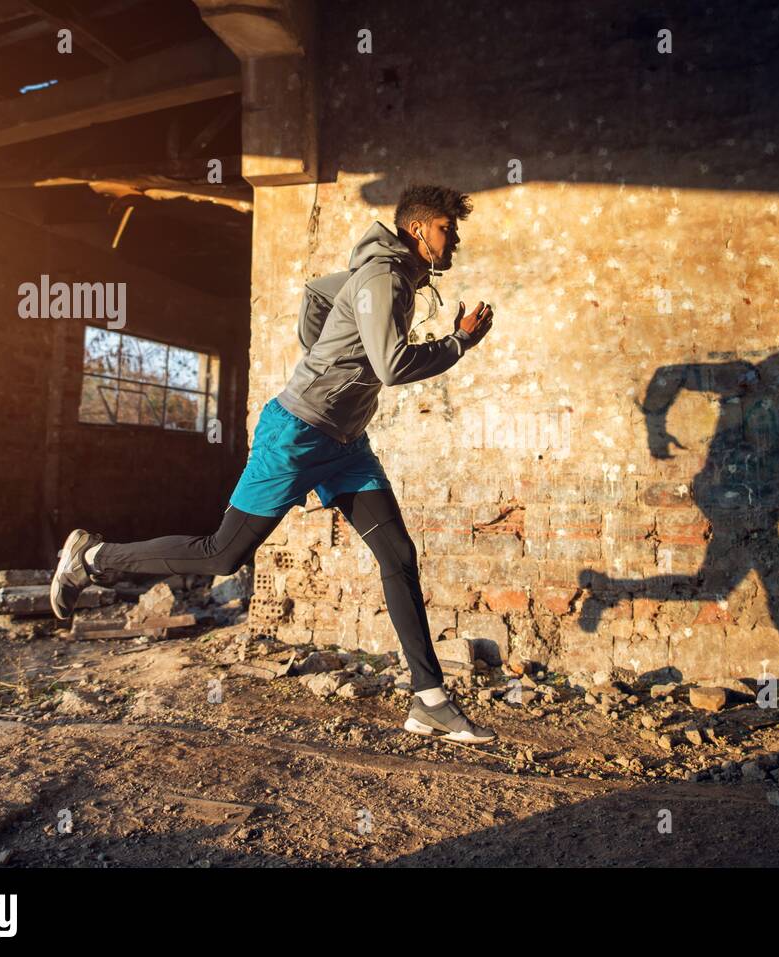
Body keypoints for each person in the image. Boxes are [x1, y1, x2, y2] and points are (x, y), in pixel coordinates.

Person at [50, 184, 498, 744]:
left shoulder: (394, 278)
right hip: (297, 434)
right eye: (446, 230)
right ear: (418, 231)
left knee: (398, 555)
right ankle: (92, 556)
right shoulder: (382, 277)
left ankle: (429, 701)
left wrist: (324, 358)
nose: (453, 240)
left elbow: (315, 294)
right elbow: (390, 366)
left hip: (344, 445)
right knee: (223, 556)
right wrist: (458, 343)